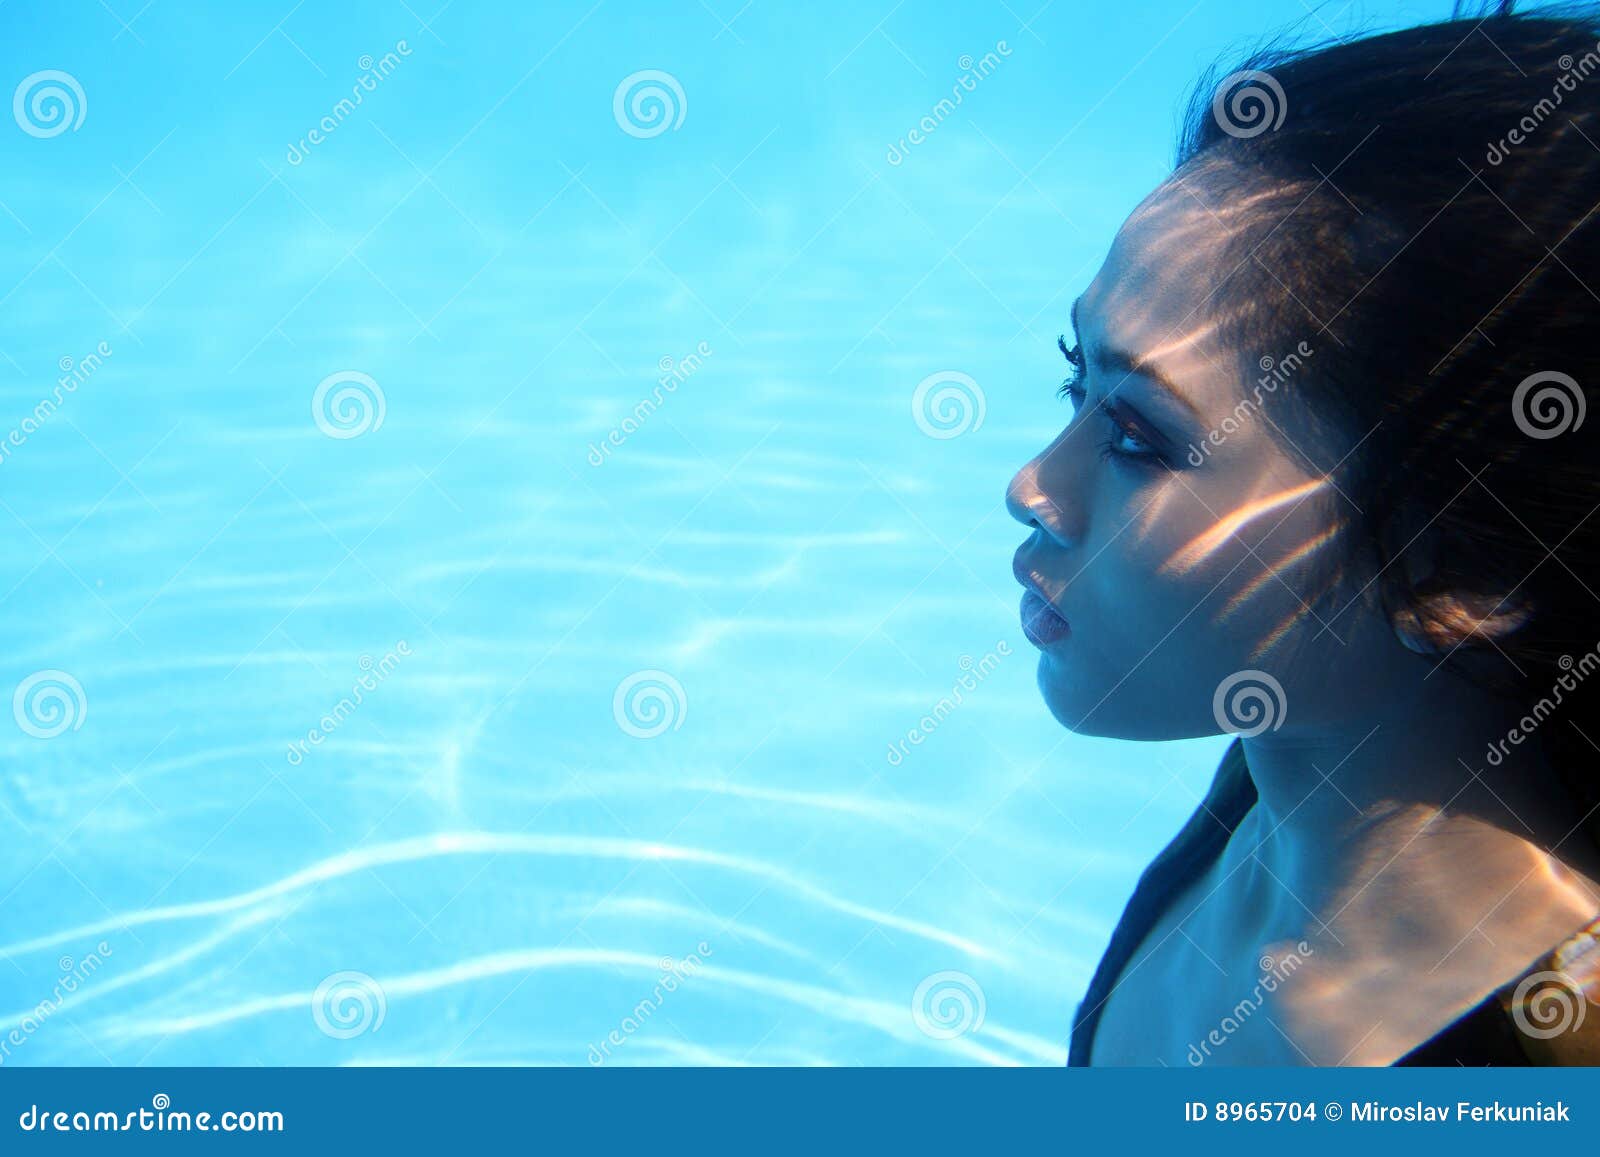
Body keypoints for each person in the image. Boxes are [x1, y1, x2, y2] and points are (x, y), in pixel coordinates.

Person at [1005, 0, 1600, 1065]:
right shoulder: (1284, 778)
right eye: (1071, 374)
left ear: (1458, 569)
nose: (1033, 486)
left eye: (1139, 434)